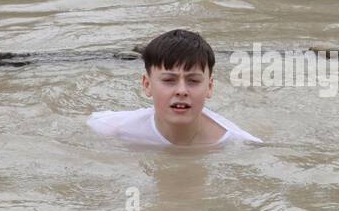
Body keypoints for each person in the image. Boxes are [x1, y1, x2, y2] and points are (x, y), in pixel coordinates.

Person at [87, 29, 262, 146]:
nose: (181, 90)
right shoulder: (110, 128)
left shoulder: (237, 143)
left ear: (209, 87)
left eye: (193, 81)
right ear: (147, 85)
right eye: (169, 80)